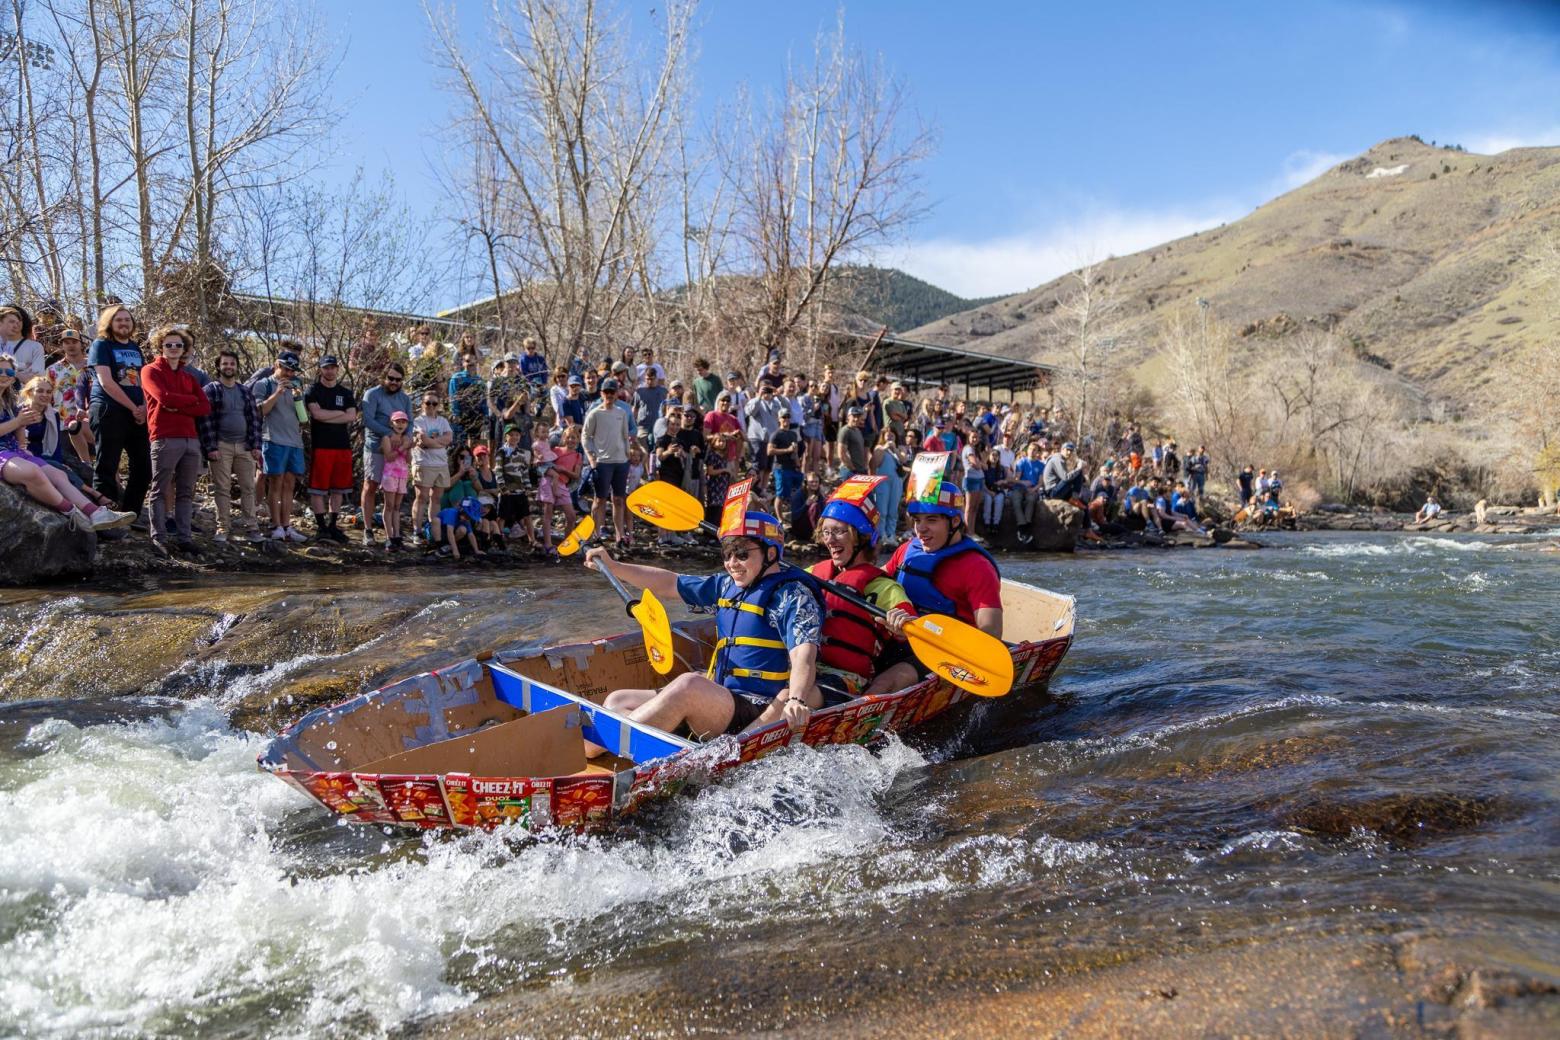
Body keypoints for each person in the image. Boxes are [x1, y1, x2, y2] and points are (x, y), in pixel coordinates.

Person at [582, 510, 822, 744]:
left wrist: (797, 700)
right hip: (724, 696)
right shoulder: (725, 586)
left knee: (689, 685)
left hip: (758, 705)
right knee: (617, 700)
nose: (732, 563)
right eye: (727, 554)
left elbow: (803, 655)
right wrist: (614, 567)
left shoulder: (792, 595)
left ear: (770, 553)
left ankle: (597, 746)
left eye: (741, 553)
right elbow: (669, 583)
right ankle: (642, 744)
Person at [865, 476, 1004, 696]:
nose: (921, 529)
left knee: (885, 684)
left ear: (955, 522)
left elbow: (991, 635)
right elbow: (875, 581)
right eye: (917, 520)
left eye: (931, 520)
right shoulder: (907, 550)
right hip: (898, 640)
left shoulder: (978, 567)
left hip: (946, 653)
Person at [0, 356, 134, 530]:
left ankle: (96, 513)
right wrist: (18, 422)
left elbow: (20, 428)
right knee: (33, 472)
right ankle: (74, 514)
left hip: (14, 450)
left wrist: (23, 446)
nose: (4, 375)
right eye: (0, 371)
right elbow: (18, 423)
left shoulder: (10, 400)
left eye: (9, 371)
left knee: (59, 475)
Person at [808, 485, 915, 700]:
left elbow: (910, 625)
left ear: (862, 538)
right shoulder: (812, 573)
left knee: (794, 694)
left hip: (847, 678)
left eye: (839, 531)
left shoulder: (883, 588)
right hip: (805, 666)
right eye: (826, 532)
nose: (829, 540)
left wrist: (903, 627)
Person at [140, 325, 212, 552]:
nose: (173, 348)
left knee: (186, 491)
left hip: (191, 439)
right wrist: (187, 401)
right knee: (160, 489)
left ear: (185, 349)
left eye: (178, 345)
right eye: (168, 345)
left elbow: (205, 407)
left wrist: (178, 404)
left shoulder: (189, 377)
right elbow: (163, 398)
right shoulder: (150, 371)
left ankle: (184, 538)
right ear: (160, 347)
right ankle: (158, 537)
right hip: (164, 437)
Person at [87, 304, 152, 522]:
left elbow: (141, 380)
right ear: (109, 323)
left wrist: (143, 407)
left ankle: (130, 514)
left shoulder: (135, 347)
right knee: (107, 464)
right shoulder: (101, 345)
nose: (123, 323)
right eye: (118, 319)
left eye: (127, 319)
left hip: (136, 414)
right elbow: (106, 382)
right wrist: (133, 407)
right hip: (109, 410)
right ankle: (106, 516)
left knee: (144, 466)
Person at [198, 349, 264, 543]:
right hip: (221, 445)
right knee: (222, 488)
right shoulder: (211, 390)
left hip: (244, 446)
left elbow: (254, 419)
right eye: (225, 363)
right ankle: (223, 528)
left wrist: (255, 445)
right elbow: (205, 420)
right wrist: (211, 447)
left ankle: (252, 528)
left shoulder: (244, 391)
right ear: (218, 366)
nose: (229, 367)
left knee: (248, 488)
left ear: (236, 366)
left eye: (232, 364)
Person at [253, 349, 309, 542]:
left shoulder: (297, 386)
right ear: (277, 365)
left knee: (289, 484)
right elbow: (261, 411)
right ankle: (275, 524)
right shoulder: (264, 384)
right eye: (286, 369)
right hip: (273, 438)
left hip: (294, 440)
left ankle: (287, 526)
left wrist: (298, 397)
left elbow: (303, 419)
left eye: (293, 371)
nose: (290, 374)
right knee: (275, 482)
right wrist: (278, 392)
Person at [302, 354, 358, 543]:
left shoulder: (345, 392)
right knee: (318, 489)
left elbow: (351, 416)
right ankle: (321, 527)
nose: (329, 371)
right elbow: (317, 415)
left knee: (338, 489)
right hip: (321, 446)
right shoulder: (313, 390)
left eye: (333, 367)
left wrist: (330, 415)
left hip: (342, 447)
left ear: (337, 369)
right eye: (326, 367)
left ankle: (333, 525)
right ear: (320, 369)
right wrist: (338, 413)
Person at [359, 363, 410, 547]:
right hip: (375, 448)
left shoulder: (405, 398)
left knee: (394, 495)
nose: (394, 382)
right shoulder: (372, 394)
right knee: (371, 486)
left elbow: (410, 423)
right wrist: (389, 434)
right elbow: (368, 420)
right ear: (383, 377)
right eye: (391, 378)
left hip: (399, 454)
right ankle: (368, 529)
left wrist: (405, 440)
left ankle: (393, 533)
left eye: (398, 379)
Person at [583, 376, 633, 547]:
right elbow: (585, 436)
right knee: (600, 499)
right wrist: (591, 458)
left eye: (613, 392)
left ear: (617, 394)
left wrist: (627, 454)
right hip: (602, 462)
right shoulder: (595, 413)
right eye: (607, 392)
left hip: (621, 462)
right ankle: (595, 533)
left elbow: (625, 436)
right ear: (601, 393)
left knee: (619, 500)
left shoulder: (622, 413)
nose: (610, 395)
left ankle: (620, 536)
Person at [411, 392, 454, 547]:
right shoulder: (418, 420)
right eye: (428, 403)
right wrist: (438, 442)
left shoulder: (443, 421)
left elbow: (448, 439)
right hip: (424, 463)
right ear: (423, 404)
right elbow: (423, 439)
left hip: (441, 464)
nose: (431, 406)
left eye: (434, 403)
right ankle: (417, 530)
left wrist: (432, 442)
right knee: (421, 497)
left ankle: (432, 529)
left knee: (436, 498)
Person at [46, 326, 94, 462]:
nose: (71, 345)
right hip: (64, 424)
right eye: (66, 342)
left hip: (92, 422)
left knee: (103, 461)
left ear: (81, 344)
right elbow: (47, 398)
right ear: (61, 345)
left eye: (74, 341)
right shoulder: (53, 369)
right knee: (75, 466)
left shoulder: (94, 365)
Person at [495, 424, 534, 549]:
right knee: (502, 516)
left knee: (527, 516)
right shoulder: (501, 452)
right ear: (506, 437)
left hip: (520, 490)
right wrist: (502, 487)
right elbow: (498, 471)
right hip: (507, 491)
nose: (514, 437)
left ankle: (532, 540)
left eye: (517, 435)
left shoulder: (522, 453)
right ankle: (499, 540)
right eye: (511, 435)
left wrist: (528, 487)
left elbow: (524, 472)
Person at [380, 411, 413, 550]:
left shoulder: (406, 438)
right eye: (397, 421)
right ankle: (389, 537)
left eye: (403, 422)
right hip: (390, 474)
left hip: (403, 475)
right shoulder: (387, 438)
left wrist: (409, 447)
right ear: (391, 423)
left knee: (397, 507)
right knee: (389, 505)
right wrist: (403, 447)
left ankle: (397, 535)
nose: (400, 424)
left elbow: (409, 460)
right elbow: (389, 457)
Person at [870, 428, 907, 545]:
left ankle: (891, 535)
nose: (890, 437)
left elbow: (903, 459)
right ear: (883, 436)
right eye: (888, 435)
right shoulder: (879, 448)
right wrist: (885, 447)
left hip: (896, 481)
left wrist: (894, 449)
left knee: (893, 510)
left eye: (892, 435)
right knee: (882, 510)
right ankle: (881, 535)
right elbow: (876, 462)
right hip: (883, 481)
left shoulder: (900, 448)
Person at [447, 352, 489, 450]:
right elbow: (453, 398)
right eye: (467, 361)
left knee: (476, 446)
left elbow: (483, 400)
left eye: (473, 361)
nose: (470, 363)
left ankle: (474, 464)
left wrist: (485, 416)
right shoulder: (456, 378)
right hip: (461, 416)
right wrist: (455, 414)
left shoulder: (480, 380)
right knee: (459, 446)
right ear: (462, 363)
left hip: (476, 416)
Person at [766, 408, 804, 516]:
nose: (786, 419)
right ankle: (780, 519)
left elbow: (795, 451)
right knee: (781, 495)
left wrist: (797, 463)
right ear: (779, 419)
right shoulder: (776, 434)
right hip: (781, 468)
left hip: (793, 467)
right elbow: (769, 451)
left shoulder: (793, 434)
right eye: (783, 417)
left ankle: (795, 515)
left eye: (788, 417)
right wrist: (787, 450)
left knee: (798, 492)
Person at [0, 305, 45, 381]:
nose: (15, 324)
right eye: (11, 321)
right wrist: (21, 369)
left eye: (18, 320)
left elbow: (36, 377)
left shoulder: (35, 347)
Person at [837, 405, 869, 477]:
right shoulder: (845, 431)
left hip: (860, 470)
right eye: (854, 416)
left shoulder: (858, 430)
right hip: (849, 471)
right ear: (848, 416)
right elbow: (841, 454)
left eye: (858, 416)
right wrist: (853, 470)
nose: (856, 419)